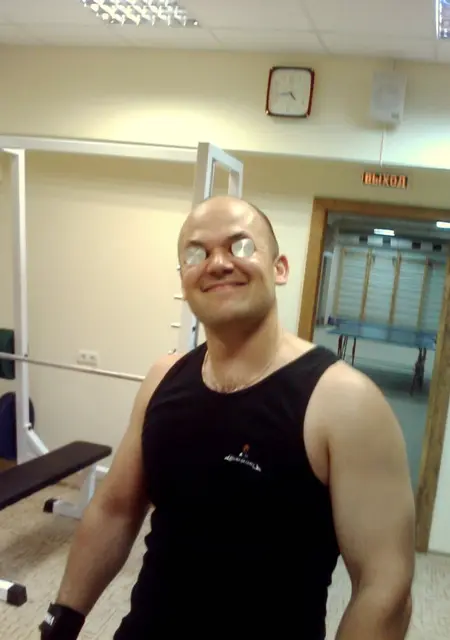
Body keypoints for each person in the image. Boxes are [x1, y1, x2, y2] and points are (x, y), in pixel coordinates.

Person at [39, 195, 416, 639]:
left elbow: (384, 587)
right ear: (184, 278)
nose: (217, 263)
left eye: (240, 246)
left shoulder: (345, 401)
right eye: (196, 253)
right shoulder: (163, 378)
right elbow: (115, 510)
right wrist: (62, 620)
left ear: (280, 268)